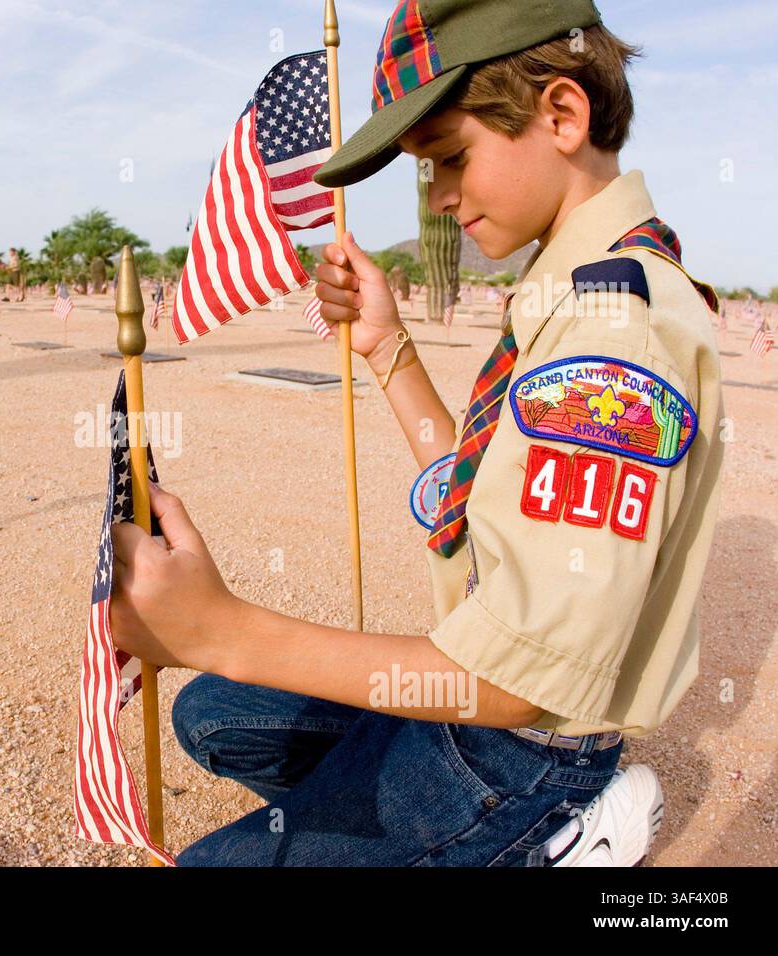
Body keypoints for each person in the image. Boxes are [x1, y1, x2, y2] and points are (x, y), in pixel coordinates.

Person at [110, 0, 722, 866]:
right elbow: (478, 506)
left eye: (450, 158)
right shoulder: (573, 278)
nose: (436, 197)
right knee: (214, 713)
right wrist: (387, 346)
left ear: (561, 114)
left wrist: (221, 629)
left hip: (522, 750)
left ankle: (555, 834)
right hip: (479, 707)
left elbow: (515, 682)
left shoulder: (612, 336)